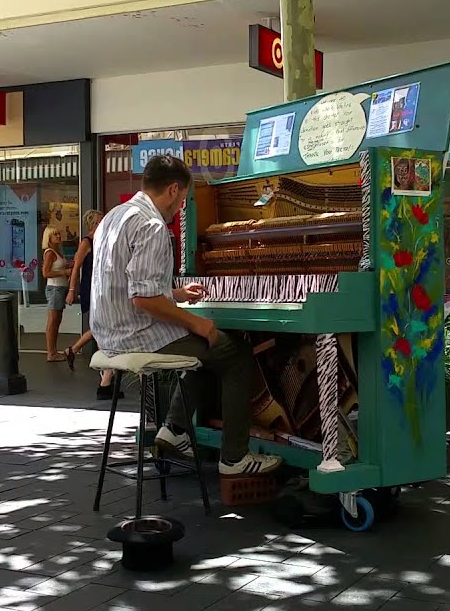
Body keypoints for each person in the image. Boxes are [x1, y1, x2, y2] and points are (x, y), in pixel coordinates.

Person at [90, 154, 282, 477]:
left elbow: (127, 283)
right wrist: (196, 321)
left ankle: (175, 430)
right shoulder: (152, 225)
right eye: (181, 199)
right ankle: (235, 458)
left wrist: (175, 295)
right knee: (234, 352)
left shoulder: (114, 217)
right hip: (137, 336)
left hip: (109, 334)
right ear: (173, 189)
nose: (180, 207)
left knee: (207, 352)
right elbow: (143, 299)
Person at [64, 210, 122, 399]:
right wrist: (72, 290)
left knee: (101, 328)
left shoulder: (103, 240)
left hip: (103, 289)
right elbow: (76, 268)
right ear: (94, 224)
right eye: (101, 221)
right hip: (91, 289)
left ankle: (104, 377)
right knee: (102, 329)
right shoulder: (86, 243)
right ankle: (105, 379)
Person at [41, 225, 70, 363]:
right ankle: (51, 353)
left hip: (60, 288)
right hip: (54, 288)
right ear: (49, 238)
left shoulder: (58, 251)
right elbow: (46, 273)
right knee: (53, 321)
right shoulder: (50, 253)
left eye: (58, 233)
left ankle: (53, 350)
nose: (58, 236)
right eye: (55, 234)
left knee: (57, 320)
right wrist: (65, 272)